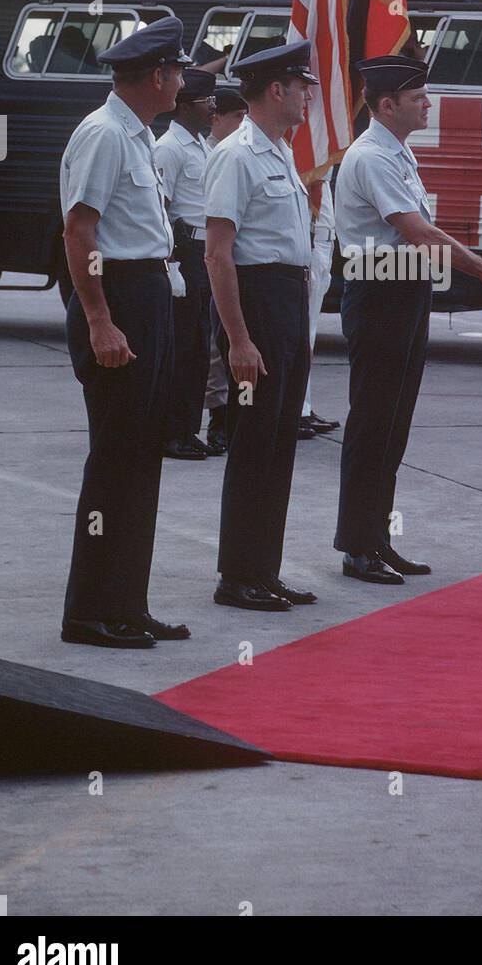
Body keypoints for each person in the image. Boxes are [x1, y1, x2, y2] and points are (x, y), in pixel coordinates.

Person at [333, 54, 482, 585]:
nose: (428, 105)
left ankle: (378, 538)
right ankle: (356, 546)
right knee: (372, 421)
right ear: (387, 105)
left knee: (394, 422)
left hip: (406, 287)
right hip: (380, 288)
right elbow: (420, 233)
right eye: (418, 99)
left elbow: (425, 237)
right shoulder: (371, 157)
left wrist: (475, 261)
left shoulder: (399, 153)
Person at [58, 15, 193, 648]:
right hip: (116, 298)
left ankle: (127, 602)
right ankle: (89, 610)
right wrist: (100, 320)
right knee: (114, 461)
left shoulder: (138, 133)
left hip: (148, 294)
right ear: (157, 75)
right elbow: (79, 233)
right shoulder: (105, 135)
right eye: (177, 71)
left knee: (142, 459)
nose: (183, 81)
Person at [204, 40, 318, 612]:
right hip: (256, 306)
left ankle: (263, 570)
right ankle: (237, 575)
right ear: (278, 90)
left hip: (286, 306)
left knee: (278, 443)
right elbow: (218, 255)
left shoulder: (277, 152)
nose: (308, 96)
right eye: (303, 86)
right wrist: (240, 339)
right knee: (253, 442)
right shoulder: (237, 155)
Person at [154, 68, 216, 460]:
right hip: (184, 253)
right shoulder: (169, 148)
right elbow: (161, 207)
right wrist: (171, 258)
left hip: (206, 254)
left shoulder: (203, 146)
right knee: (182, 346)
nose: (213, 108)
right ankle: (171, 431)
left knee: (199, 347)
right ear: (185, 106)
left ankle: (190, 428)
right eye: (207, 102)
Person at [203, 86, 248, 453]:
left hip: (234, 254)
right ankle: (218, 414)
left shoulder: (239, 152)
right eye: (236, 117)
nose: (243, 124)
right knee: (218, 342)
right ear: (215, 118)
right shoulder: (217, 155)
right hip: (205, 250)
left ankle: (233, 412)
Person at [298, 177, 340, 440]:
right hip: (311, 242)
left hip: (324, 244)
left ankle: (304, 405)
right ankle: (297, 408)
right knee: (302, 335)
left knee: (309, 334)